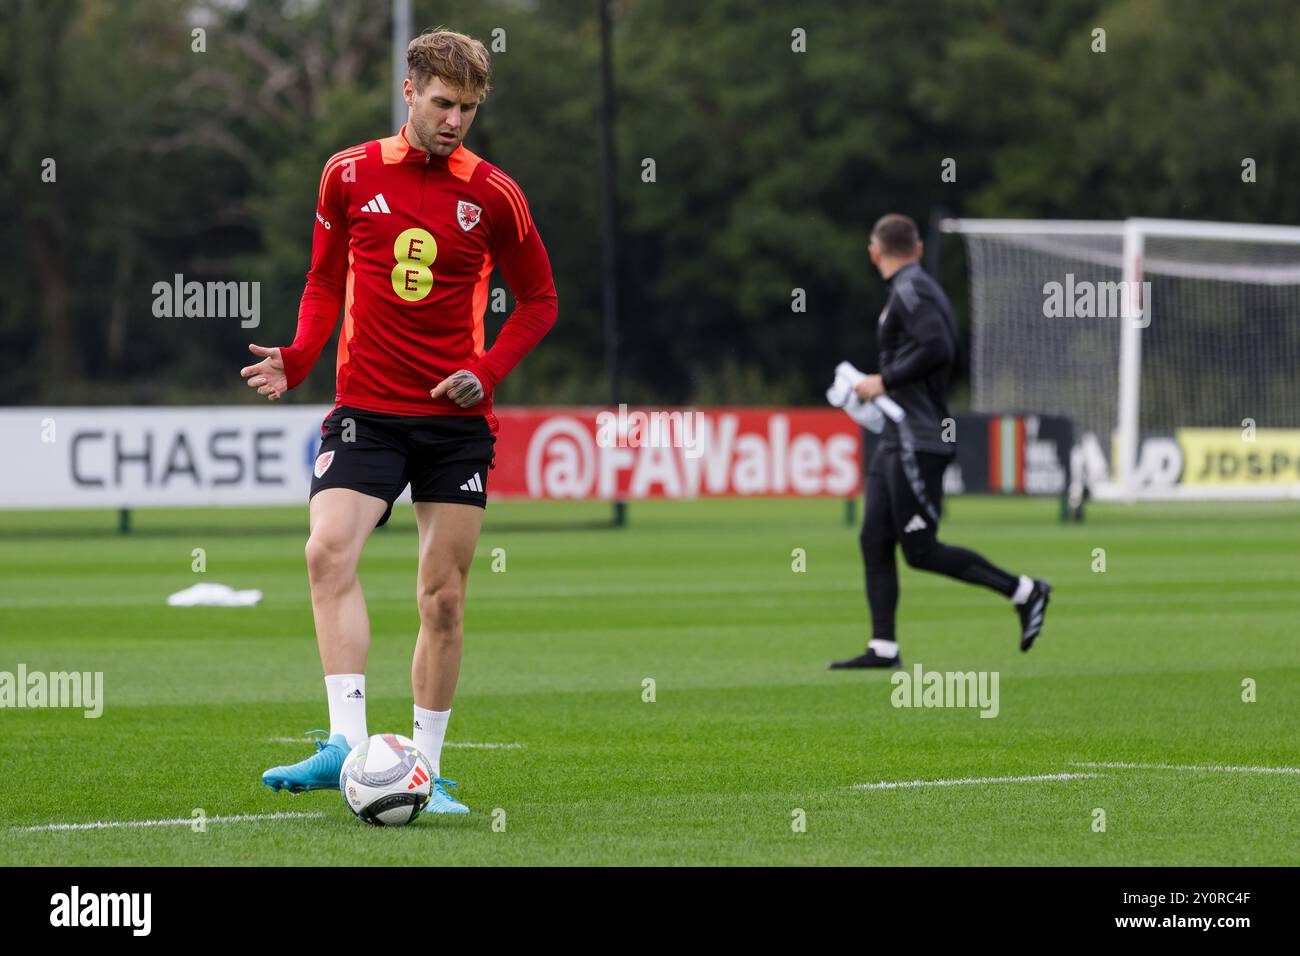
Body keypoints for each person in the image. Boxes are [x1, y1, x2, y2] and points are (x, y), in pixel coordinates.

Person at [242, 28, 557, 811]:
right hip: (367, 412)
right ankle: (344, 741)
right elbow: (323, 281)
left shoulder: (494, 193)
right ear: (410, 91)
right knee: (326, 551)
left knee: (442, 598)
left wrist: (482, 373)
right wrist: (301, 355)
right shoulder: (346, 174)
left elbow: (540, 301)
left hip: (456, 425)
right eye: (444, 103)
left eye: (470, 108)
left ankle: (426, 766)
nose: (456, 121)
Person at [830, 214, 1048, 669]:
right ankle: (883, 648)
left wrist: (883, 380)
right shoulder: (909, 288)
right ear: (918, 248)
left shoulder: (912, 289)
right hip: (899, 435)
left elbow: (938, 347)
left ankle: (1024, 591)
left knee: (921, 550)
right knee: (874, 539)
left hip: (919, 438)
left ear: (874, 252)